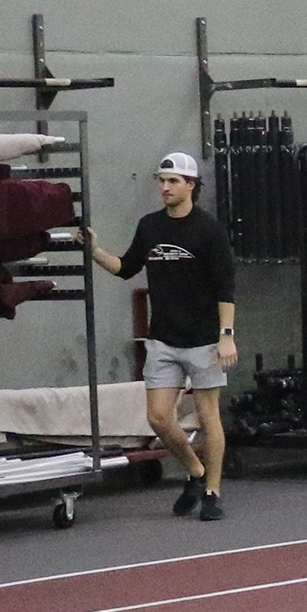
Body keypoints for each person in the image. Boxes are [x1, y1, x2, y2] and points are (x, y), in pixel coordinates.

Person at [83, 151, 238, 521]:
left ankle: (213, 492)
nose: (165, 187)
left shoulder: (208, 230)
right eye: (162, 181)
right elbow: (125, 267)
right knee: (157, 417)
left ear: (191, 186)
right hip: (164, 340)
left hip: (204, 340)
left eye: (173, 182)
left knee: (208, 415)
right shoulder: (150, 226)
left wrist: (226, 335)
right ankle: (196, 472)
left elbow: (225, 287)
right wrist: (93, 251)